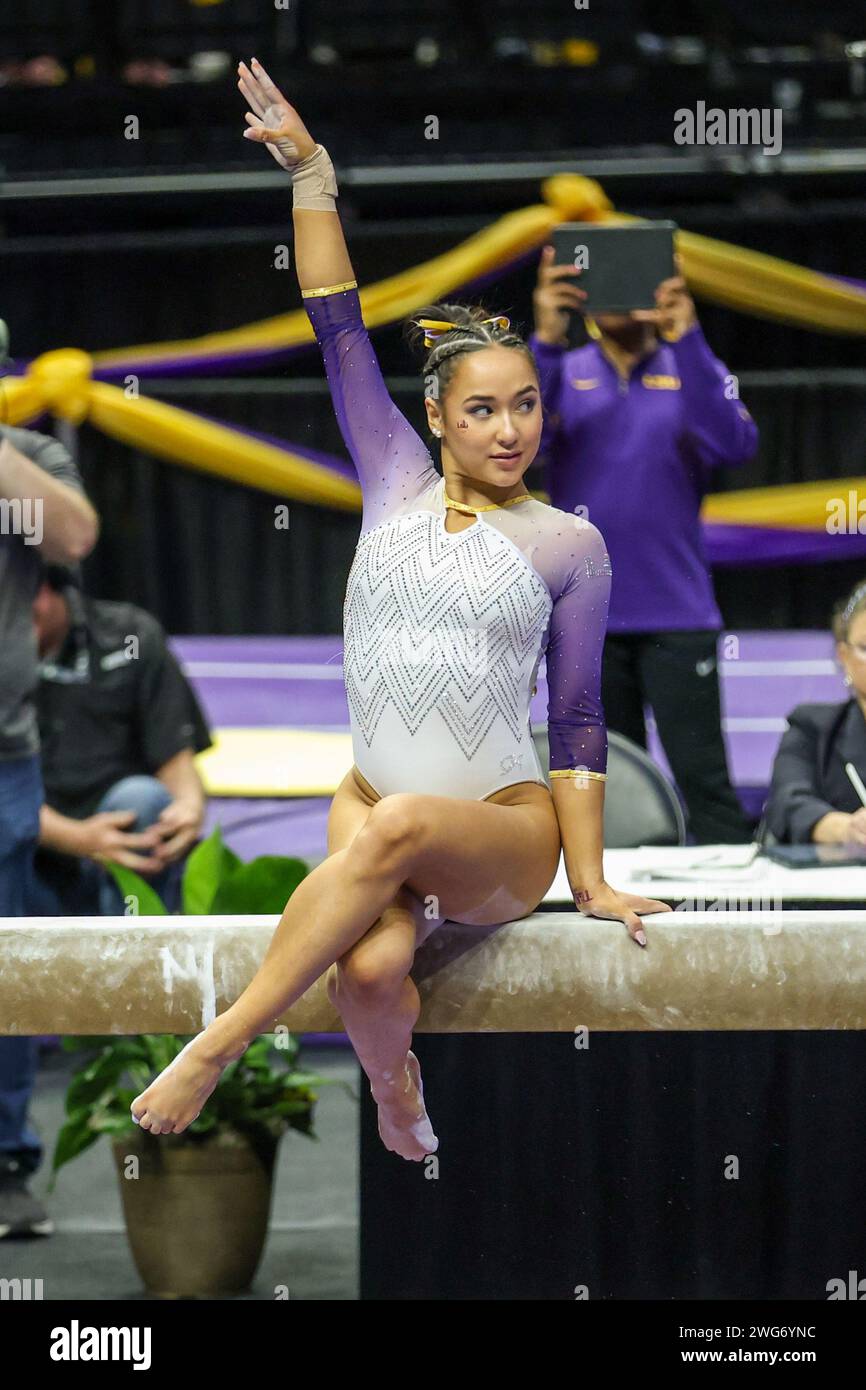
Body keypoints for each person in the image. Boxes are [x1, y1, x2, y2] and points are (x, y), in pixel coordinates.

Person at [127, 57, 672, 1160]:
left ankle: (218, 1040)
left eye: (524, 404)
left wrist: (591, 879)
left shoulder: (570, 544)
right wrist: (312, 176)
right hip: (370, 798)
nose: (510, 428)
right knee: (371, 970)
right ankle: (392, 1088)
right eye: (482, 409)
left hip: (495, 832)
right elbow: (336, 328)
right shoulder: (390, 482)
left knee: (403, 824)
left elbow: (574, 725)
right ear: (435, 417)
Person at [529, 244, 759, 844]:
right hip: (587, 615)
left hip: (678, 614)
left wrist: (690, 338)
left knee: (705, 783)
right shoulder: (561, 370)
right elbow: (523, 443)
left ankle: (731, 929)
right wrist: (546, 341)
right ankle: (609, 918)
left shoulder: (691, 368)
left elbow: (736, 444)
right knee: (605, 791)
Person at [0, 422, 98, 1238]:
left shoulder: (29, 456)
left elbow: (73, 535)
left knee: (4, 967)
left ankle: (3, 1162)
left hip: (1, 757)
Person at [30, 563, 213, 917]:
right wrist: (77, 838)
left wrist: (188, 808)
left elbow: (174, 756)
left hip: (121, 845)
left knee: (144, 800)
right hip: (29, 852)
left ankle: (131, 949)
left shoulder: (132, 636)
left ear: (50, 587)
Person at [765, 579, 866, 845]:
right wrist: (847, 829)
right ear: (844, 656)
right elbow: (787, 805)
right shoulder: (812, 727)